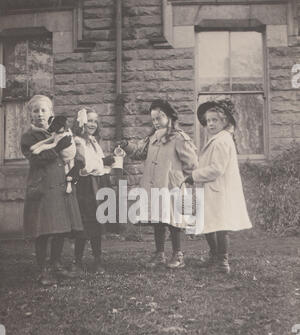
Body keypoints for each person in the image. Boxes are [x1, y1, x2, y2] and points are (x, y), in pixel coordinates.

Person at [121, 99, 198, 269]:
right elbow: (139, 151)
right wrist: (126, 146)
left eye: (159, 118)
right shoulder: (152, 138)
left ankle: (178, 255)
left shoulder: (179, 138)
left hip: (171, 186)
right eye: (153, 119)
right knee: (158, 219)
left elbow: (192, 162)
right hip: (154, 186)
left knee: (173, 220)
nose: (156, 123)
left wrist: (183, 179)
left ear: (169, 117)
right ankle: (159, 254)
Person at [21, 95, 83, 286]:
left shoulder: (57, 132)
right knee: (44, 230)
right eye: (35, 111)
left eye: (43, 110)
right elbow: (36, 158)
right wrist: (57, 148)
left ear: (51, 114)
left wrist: (76, 165)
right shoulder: (29, 137)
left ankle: (56, 263)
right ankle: (43, 270)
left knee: (61, 229)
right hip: (43, 187)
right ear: (30, 116)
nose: (39, 114)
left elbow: (74, 154)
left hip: (61, 186)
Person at [185, 99, 252, 274]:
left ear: (224, 122)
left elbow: (217, 169)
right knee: (208, 223)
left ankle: (222, 260)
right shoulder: (217, 139)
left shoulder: (223, 140)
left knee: (220, 226)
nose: (211, 124)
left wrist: (194, 176)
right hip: (212, 189)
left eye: (215, 120)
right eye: (208, 121)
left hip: (219, 190)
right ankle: (214, 256)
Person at [70, 108, 115, 274]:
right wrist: (101, 165)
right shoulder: (78, 141)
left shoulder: (94, 142)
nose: (92, 124)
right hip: (84, 186)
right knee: (84, 222)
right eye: (89, 120)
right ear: (81, 122)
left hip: (97, 184)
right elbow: (86, 166)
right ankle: (77, 261)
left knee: (97, 223)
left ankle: (97, 260)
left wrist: (108, 160)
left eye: (95, 121)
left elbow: (97, 162)